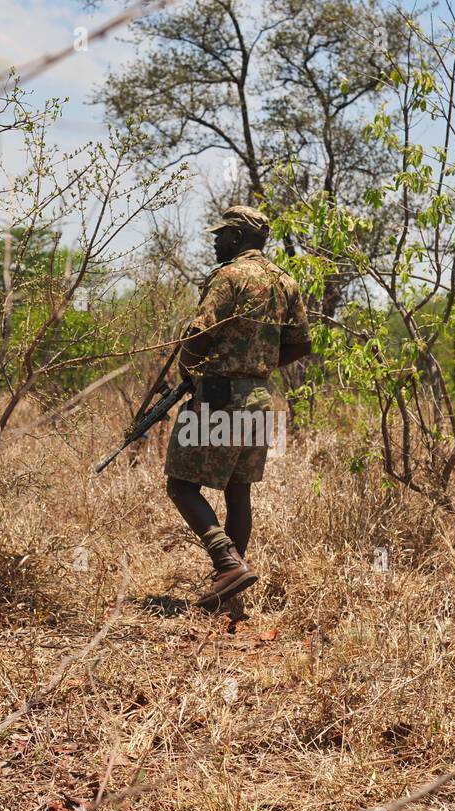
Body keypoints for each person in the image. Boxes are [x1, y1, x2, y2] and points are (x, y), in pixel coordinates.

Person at [164, 204, 312, 611]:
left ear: (237, 237)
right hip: (261, 399)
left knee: (180, 484)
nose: (215, 241)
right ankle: (228, 595)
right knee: (237, 489)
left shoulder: (228, 277)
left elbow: (199, 334)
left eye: (221, 234)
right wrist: (257, 367)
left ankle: (226, 563)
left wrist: (193, 372)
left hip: (218, 397)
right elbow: (301, 344)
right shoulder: (286, 281)